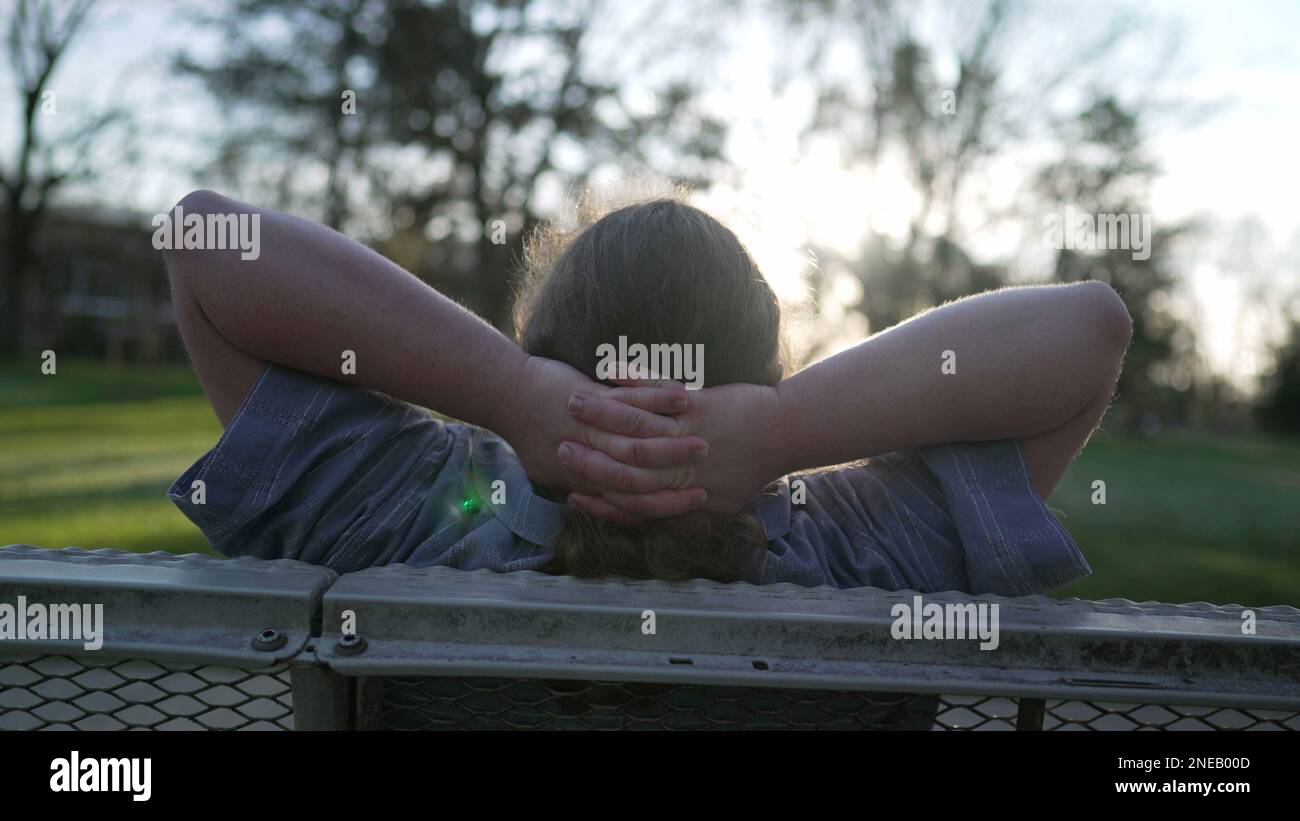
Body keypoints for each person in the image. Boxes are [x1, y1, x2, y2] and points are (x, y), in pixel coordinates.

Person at [164, 189, 1131, 595]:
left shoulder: (404, 522)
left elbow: (206, 239)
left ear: (538, 349)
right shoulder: (863, 555)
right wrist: (787, 431)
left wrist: (507, 392)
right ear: (768, 378)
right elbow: (1090, 330)